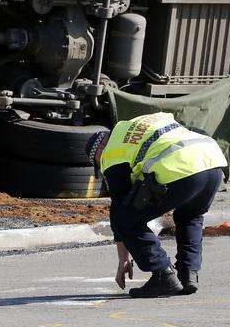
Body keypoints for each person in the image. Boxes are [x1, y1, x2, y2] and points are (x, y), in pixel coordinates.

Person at [86, 112, 227, 298]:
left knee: (125, 218)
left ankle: (163, 275)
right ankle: (188, 274)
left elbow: (119, 210)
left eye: (96, 161)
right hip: (211, 161)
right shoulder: (132, 126)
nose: (101, 167)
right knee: (190, 216)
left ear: (100, 148)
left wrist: (123, 258)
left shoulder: (111, 152)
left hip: (181, 167)